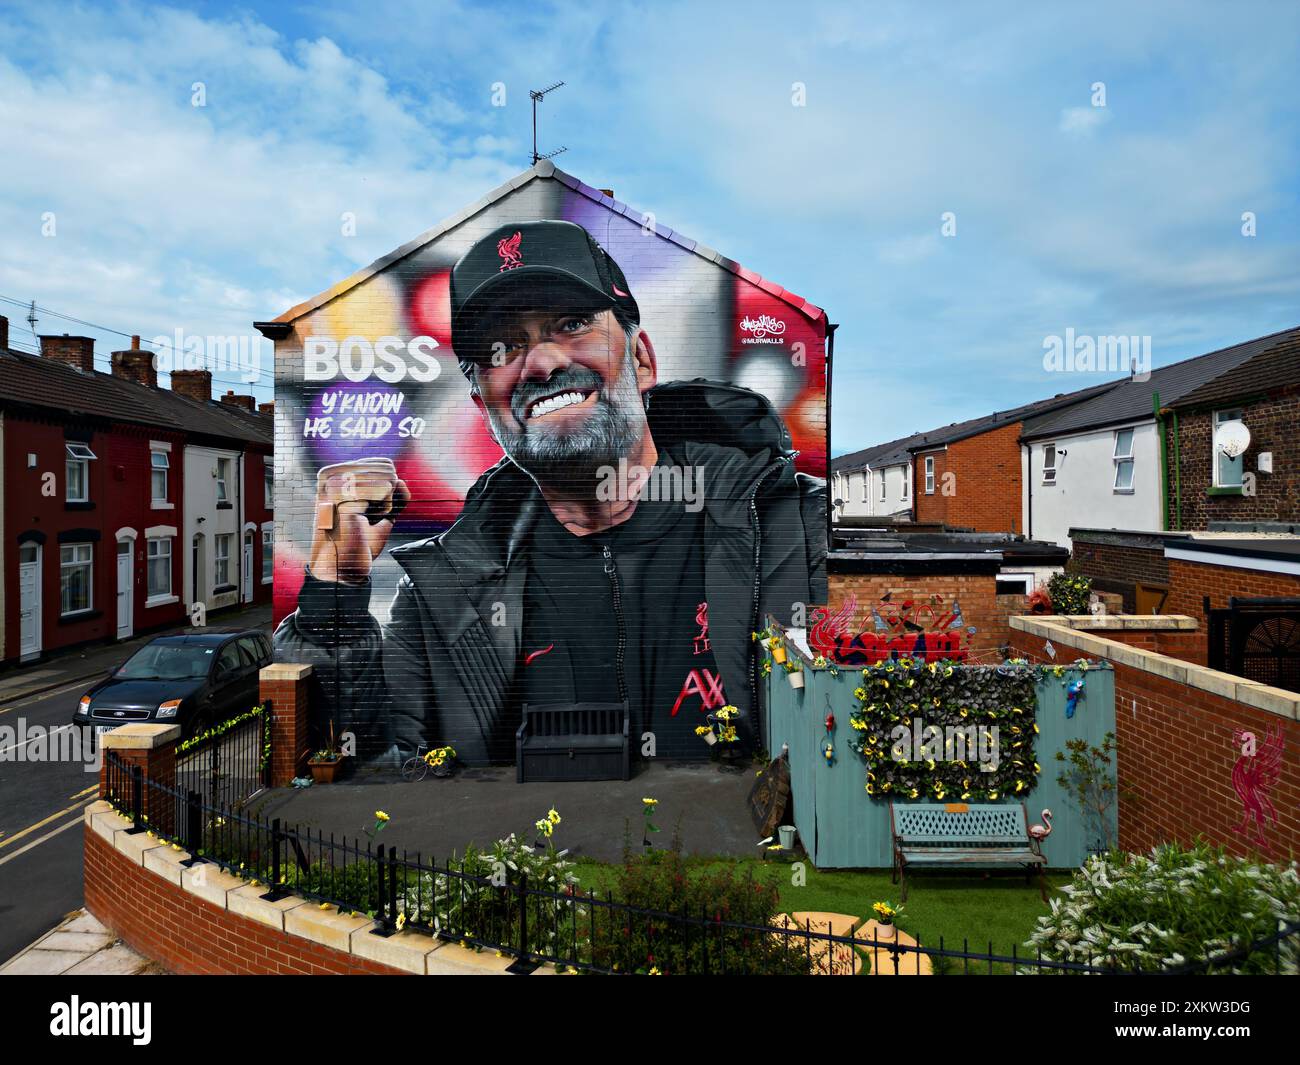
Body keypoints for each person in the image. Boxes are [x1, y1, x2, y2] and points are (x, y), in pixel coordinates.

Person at [274, 219, 826, 763]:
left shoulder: (798, 530)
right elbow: (362, 763)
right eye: (501, 350)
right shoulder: (440, 593)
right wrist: (336, 593)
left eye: (572, 323)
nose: (542, 362)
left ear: (641, 360)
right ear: (483, 409)